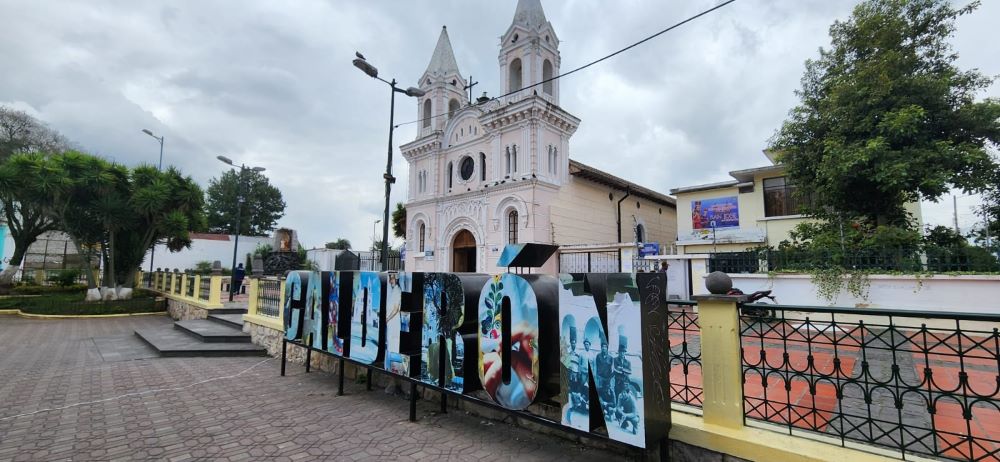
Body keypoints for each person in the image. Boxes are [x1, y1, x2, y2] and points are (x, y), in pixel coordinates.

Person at [595, 341, 615, 414]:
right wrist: (597, 376)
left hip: (607, 379)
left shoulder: (611, 358)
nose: (604, 348)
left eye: (605, 347)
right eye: (602, 347)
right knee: (599, 391)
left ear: (607, 349)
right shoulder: (598, 356)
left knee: (607, 392)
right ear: (601, 348)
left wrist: (610, 379)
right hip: (600, 378)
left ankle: (607, 409)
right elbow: (596, 366)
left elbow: (612, 369)